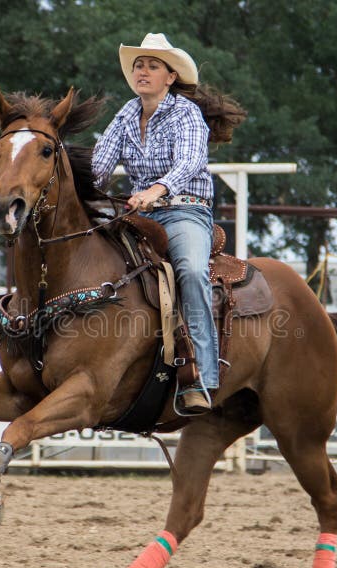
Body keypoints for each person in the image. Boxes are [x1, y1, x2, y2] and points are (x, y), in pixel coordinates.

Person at [92, 32, 246, 415]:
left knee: (191, 272)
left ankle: (201, 378)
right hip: (137, 215)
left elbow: (191, 161)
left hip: (185, 211)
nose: (143, 71)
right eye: (139, 65)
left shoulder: (186, 113)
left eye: (152, 65)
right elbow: (99, 165)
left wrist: (154, 191)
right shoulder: (126, 114)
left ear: (170, 76)